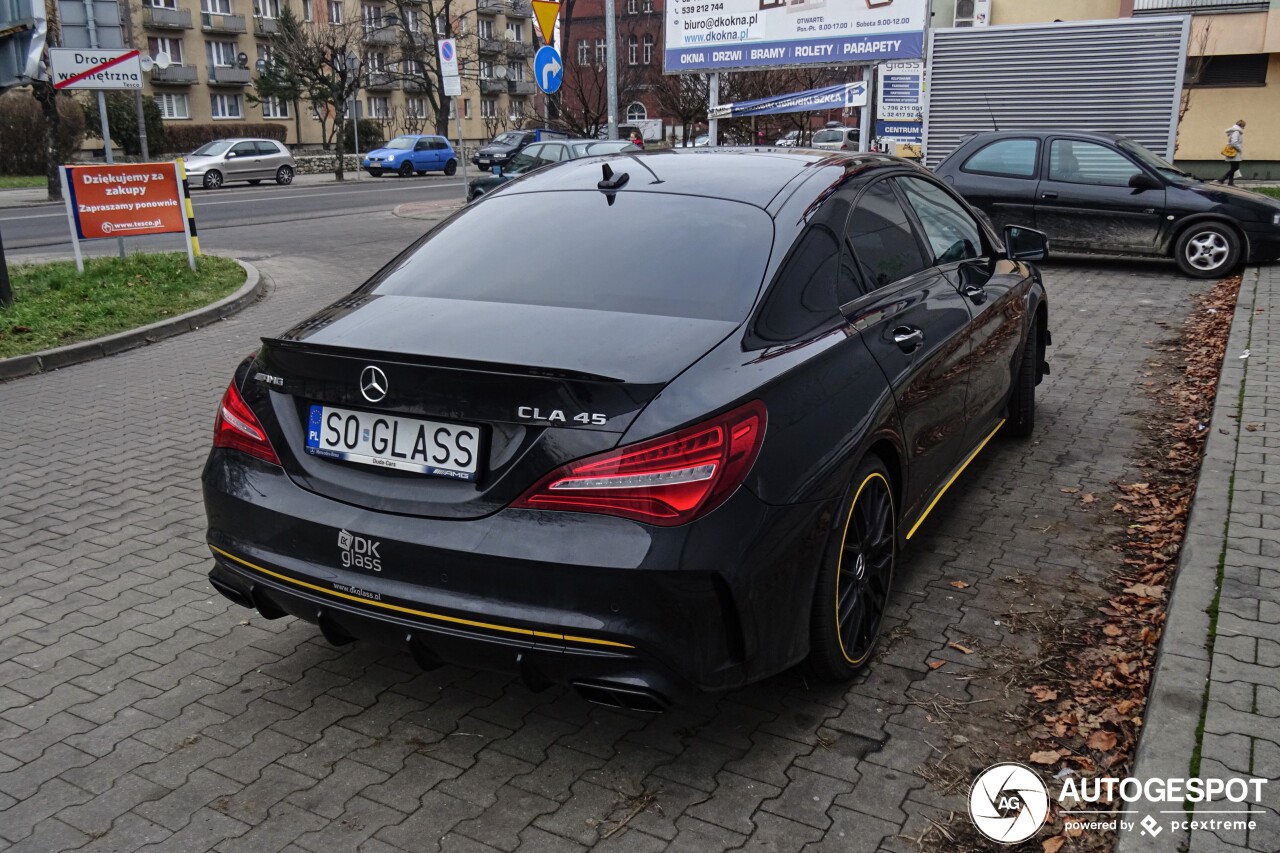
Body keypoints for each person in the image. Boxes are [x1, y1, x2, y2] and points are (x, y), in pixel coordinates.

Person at [1220, 120, 1245, 186]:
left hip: (1232, 152)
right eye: (1243, 126)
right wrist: (1240, 149)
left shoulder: (1234, 131)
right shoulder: (1236, 132)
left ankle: (1230, 182)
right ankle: (1221, 179)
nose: (1244, 128)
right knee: (1235, 168)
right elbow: (1234, 142)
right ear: (1241, 126)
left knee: (1233, 167)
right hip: (1234, 152)